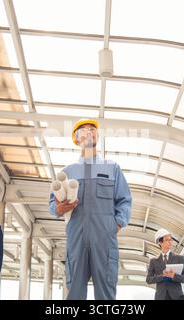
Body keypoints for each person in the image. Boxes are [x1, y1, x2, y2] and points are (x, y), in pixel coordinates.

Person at [49, 118, 132, 300]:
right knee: (75, 293)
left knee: (106, 293)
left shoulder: (112, 168)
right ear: (77, 139)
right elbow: (52, 206)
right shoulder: (67, 172)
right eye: (84, 130)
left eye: (93, 130)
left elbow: (124, 200)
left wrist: (115, 225)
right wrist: (60, 208)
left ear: (97, 136)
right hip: (76, 237)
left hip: (104, 239)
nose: (89, 132)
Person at [146, 228, 184, 300]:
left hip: (177, 297)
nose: (170, 242)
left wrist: (174, 276)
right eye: (167, 240)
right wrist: (162, 276)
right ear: (160, 242)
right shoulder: (153, 261)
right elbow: (148, 280)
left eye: (170, 239)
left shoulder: (179, 258)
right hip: (161, 297)